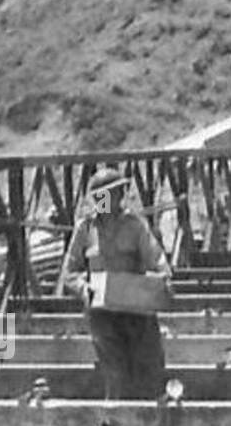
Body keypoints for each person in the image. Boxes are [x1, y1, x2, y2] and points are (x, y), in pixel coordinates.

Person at [62, 168, 170, 401]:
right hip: (102, 314)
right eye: (98, 197)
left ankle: (150, 423)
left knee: (148, 368)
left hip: (136, 311)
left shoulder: (135, 225)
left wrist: (162, 277)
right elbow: (69, 273)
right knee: (115, 372)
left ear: (119, 195)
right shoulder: (85, 229)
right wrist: (84, 288)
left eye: (110, 194)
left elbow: (156, 257)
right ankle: (116, 422)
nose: (103, 201)